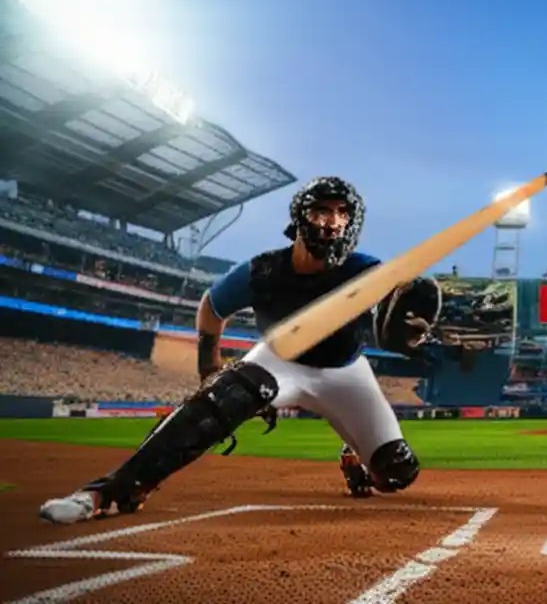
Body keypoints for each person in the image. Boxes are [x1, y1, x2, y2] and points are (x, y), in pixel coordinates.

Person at [39, 176, 443, 523]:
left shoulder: (367, 270)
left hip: (346, 372)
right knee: (220, 399)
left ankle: (356, 457)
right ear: (300, 216)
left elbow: (398, 306)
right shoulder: (262, 271)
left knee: (397, 472)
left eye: (342, 214)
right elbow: (211, 309)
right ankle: (110, 492)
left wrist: (412, 330)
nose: (333, 222)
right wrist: (208, 369)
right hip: (279, 360)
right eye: (323, 211)